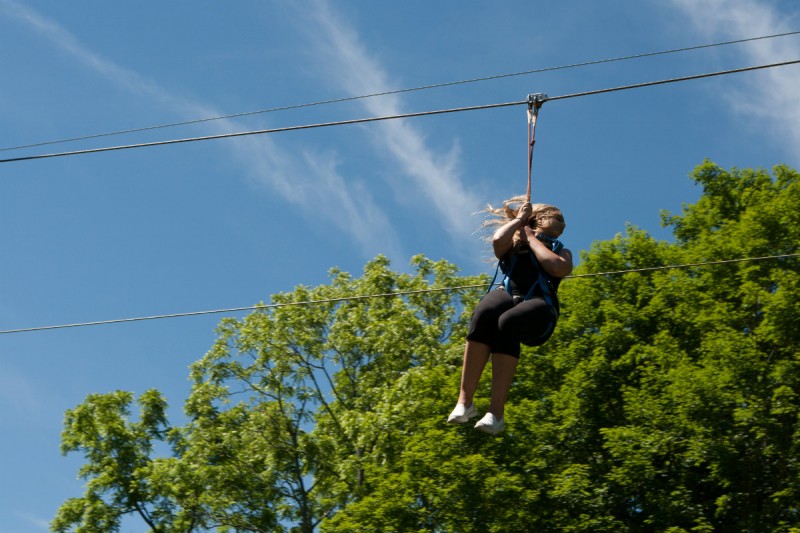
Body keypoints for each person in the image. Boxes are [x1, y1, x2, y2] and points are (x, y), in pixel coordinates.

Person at [447, 195, 573, 434]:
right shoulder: (513, 246)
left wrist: (530, 236)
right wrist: (519, 224)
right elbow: (497, 240)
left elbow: (557, 267)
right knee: (485, 311)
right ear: (538, 218)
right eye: (555, 216)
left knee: (509, 322)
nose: (562, 221)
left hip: (540, 308)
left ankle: (496, 413)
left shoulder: (561, 250)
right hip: (508, 294)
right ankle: (465, 402)